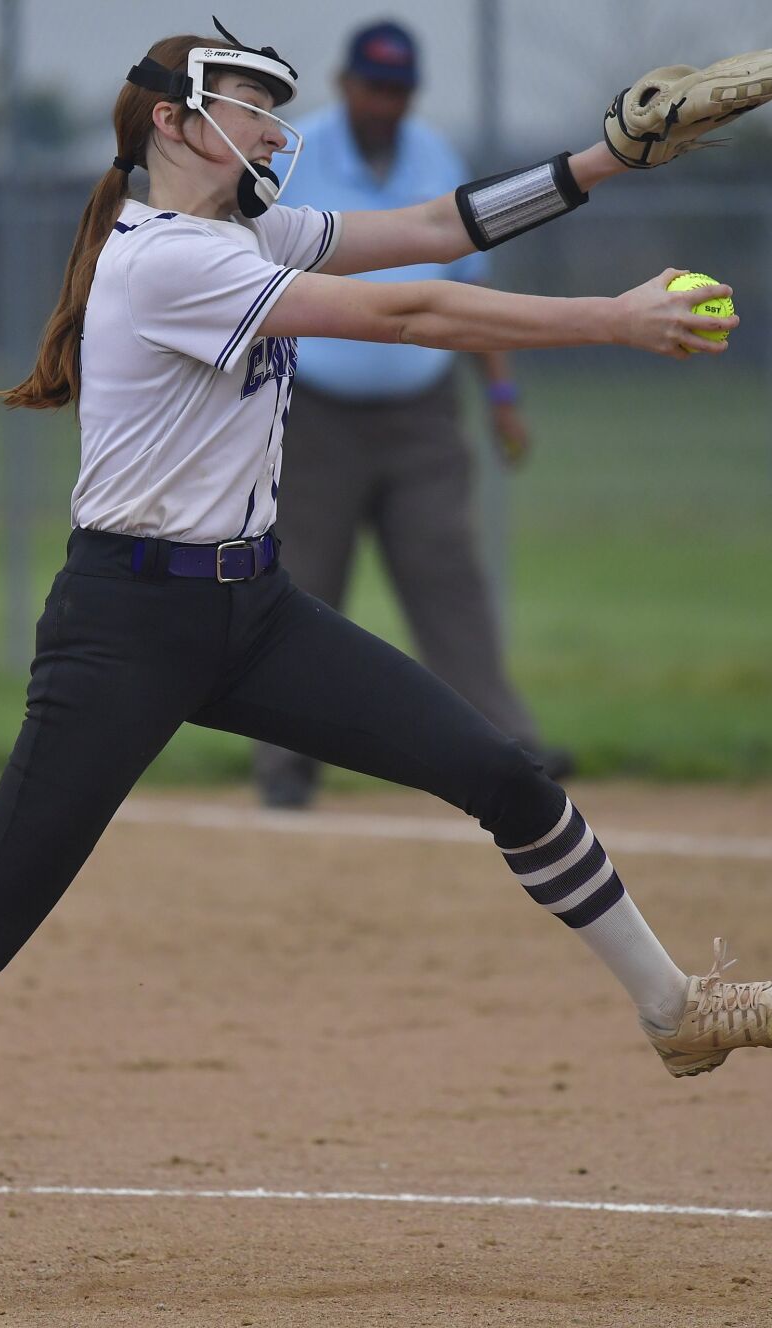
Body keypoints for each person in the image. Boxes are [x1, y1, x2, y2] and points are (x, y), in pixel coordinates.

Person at [0, 26, 772, 1283]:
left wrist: (606, 158)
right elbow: (407, 310)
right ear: (174, 123)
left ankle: (675, 1008)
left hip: (253, 612)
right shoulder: (167, 259)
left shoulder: (249, 235)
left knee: (505, 774)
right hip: (126, 628)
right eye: (246, 103)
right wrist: (612, 319)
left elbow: (437, 229)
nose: (270, 126)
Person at [252, 19, 569, 810]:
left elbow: (473, 290)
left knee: (448, 578)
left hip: (423, 416)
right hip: (313, 415)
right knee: (301, 590)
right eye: (374, 86)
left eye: (399, 90)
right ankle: (286, 767)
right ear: (345, 83)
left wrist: (502, 396)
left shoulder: (434, 156)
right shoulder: (295, 155)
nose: (385, 102)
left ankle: (509, 748)